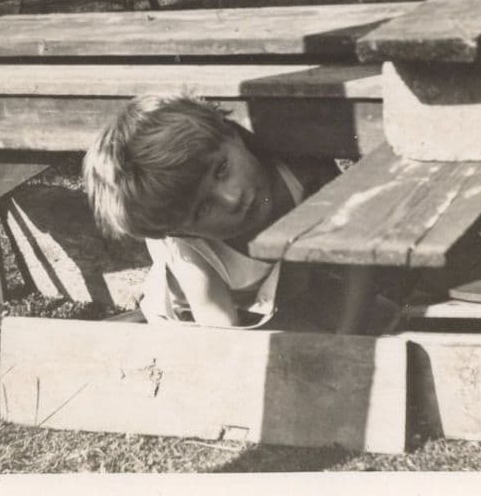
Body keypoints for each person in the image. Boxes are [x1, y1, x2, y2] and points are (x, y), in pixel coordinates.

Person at [84, 93, 396, 331]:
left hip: (272, 299)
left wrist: (347, 337)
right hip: (194, 319)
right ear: (183, 231)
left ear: (231, 135)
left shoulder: (301, 174)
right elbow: (218, 322)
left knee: (379, 320)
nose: (232, 198)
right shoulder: (187, 246)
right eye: (204, 208)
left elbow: (357, 252)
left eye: (222, 170)